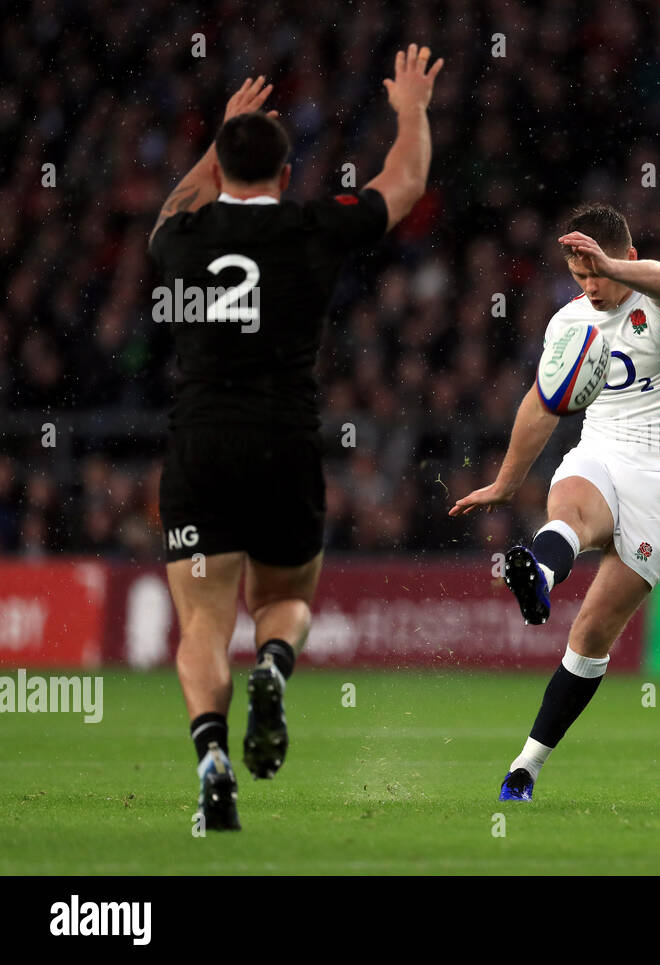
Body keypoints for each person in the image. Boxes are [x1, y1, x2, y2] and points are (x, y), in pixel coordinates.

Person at [148, 46, 443, 830]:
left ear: (222, 166)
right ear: (286, 174)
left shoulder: (181, 238)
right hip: (284, 442)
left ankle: (212, 758)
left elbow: (174, 204)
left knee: (202, 623)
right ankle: (273, 665)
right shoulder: (313, 227)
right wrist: (410, 108)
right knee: (283, 599)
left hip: (202, 444)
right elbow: (403, 184)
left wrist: (221, 137)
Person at [450, 203, 660, 801]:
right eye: (580, 276)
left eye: (598, 273)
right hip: (604, 451)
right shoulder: (570, 322)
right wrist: (506, 483)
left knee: (593, 632)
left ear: (629, 258)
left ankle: (526, 765)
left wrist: (614, 265)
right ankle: (539, 575)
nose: (590, 287)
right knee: (567, 508)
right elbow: (543, 403)